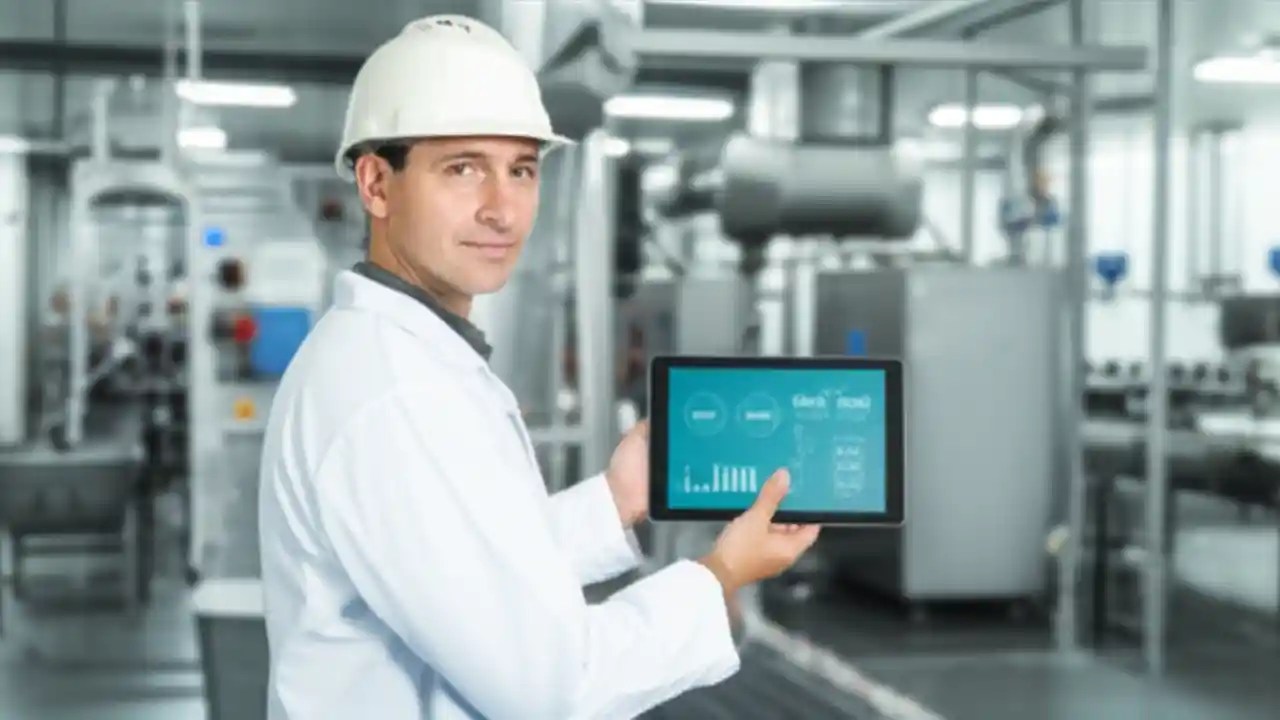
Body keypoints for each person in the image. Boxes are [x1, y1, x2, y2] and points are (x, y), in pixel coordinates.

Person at [257, 14, 821, 720]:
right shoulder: (394, 392)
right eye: (462, 168)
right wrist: (721, 573)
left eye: (521, 169)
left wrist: (616, 503)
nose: (502, 209)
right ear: (376, 183)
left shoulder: (407, 359)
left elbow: (468, 577)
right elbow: (553, 686)